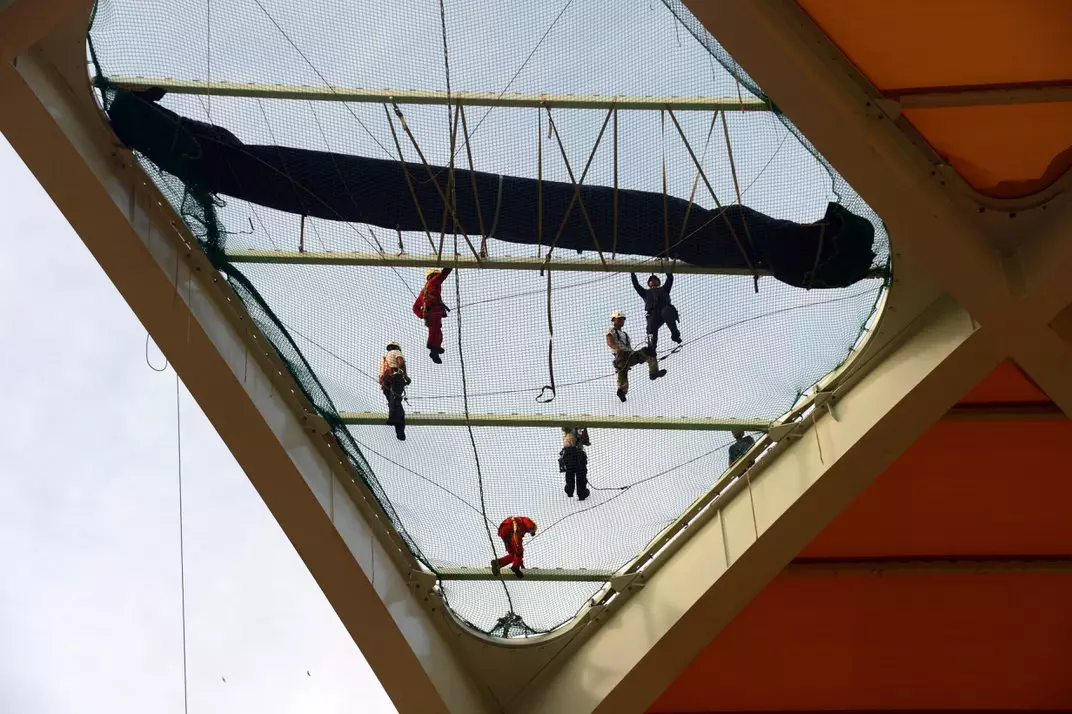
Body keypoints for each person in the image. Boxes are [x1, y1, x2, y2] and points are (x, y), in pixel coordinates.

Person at [606, 310, 665, 402]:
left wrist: (636, 355)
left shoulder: (625, 335)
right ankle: (621, 391)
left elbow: (629, 347)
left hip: (630, 355)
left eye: (622, 319)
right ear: (613, 320)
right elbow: (610, 342)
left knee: (649, 351)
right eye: (619, 319)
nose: (621, 321)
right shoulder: (611, 330)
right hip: (620, 357)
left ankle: (654, 372)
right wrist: (617, 349)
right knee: (622, 370)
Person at [630, 272, 681, 351]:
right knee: (651, 328)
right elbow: (636, 285)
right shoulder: (645, 293)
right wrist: (633, 274)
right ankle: (652, 347)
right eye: (651, 280)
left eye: (655, 279)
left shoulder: (664, 289)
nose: (653, 281)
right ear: (648, 283)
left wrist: (667, 270)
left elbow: (670, 279)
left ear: (659, 282)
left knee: (668, 312)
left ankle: (675, 335)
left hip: (664, 311)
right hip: (653, 314)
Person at [412, 267, 454, 363]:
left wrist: (422, 315)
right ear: (432, 276)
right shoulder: (433, 282)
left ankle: (436, 348)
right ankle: (433, 350)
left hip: (433, 312)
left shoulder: (424, 291)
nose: (437, 278)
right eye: (436, 275)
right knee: (435, 331)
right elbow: (443, 274)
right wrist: (451, 265)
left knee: (437, 331)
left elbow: (415, 307)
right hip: (433, 311)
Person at [379, 340, 410, 441]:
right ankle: (395, 420)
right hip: (395, 377)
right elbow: (400, 362)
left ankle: (399, 429)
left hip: (385, 382)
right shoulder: (396, 352)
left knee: (394, 402)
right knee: (396, 400)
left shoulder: (384, 359)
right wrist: (405, 376)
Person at [559, 427, 591, 501]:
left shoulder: (567, 427)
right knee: (581, 473)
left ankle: (569, 491)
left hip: (568, 453)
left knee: (569, 472)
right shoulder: (581, 427)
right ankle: (581, 494)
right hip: (578, 453)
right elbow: (586, 442)